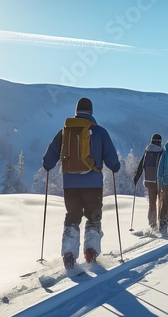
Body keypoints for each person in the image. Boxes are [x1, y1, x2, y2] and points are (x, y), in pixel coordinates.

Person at [42, 97, 121, 269]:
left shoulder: (65, 131)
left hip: (70, 184)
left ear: (76, 111)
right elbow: (111, 158)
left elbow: (51, 155)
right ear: (91, 112)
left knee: (72, 216)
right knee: (93, 216)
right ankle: (91, 251)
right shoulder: (99, 132)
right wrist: (115, 166)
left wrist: (47, 164)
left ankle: (69, 254)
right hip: (93, 184)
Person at [132, 133, 164, 230]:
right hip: (159, 181)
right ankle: (161, 222)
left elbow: (141, 165)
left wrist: (136, 177)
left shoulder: (147, 150)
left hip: (149, 181)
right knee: (161, 202)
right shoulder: (162, 152)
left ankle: (152, 223)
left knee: (152, 203)